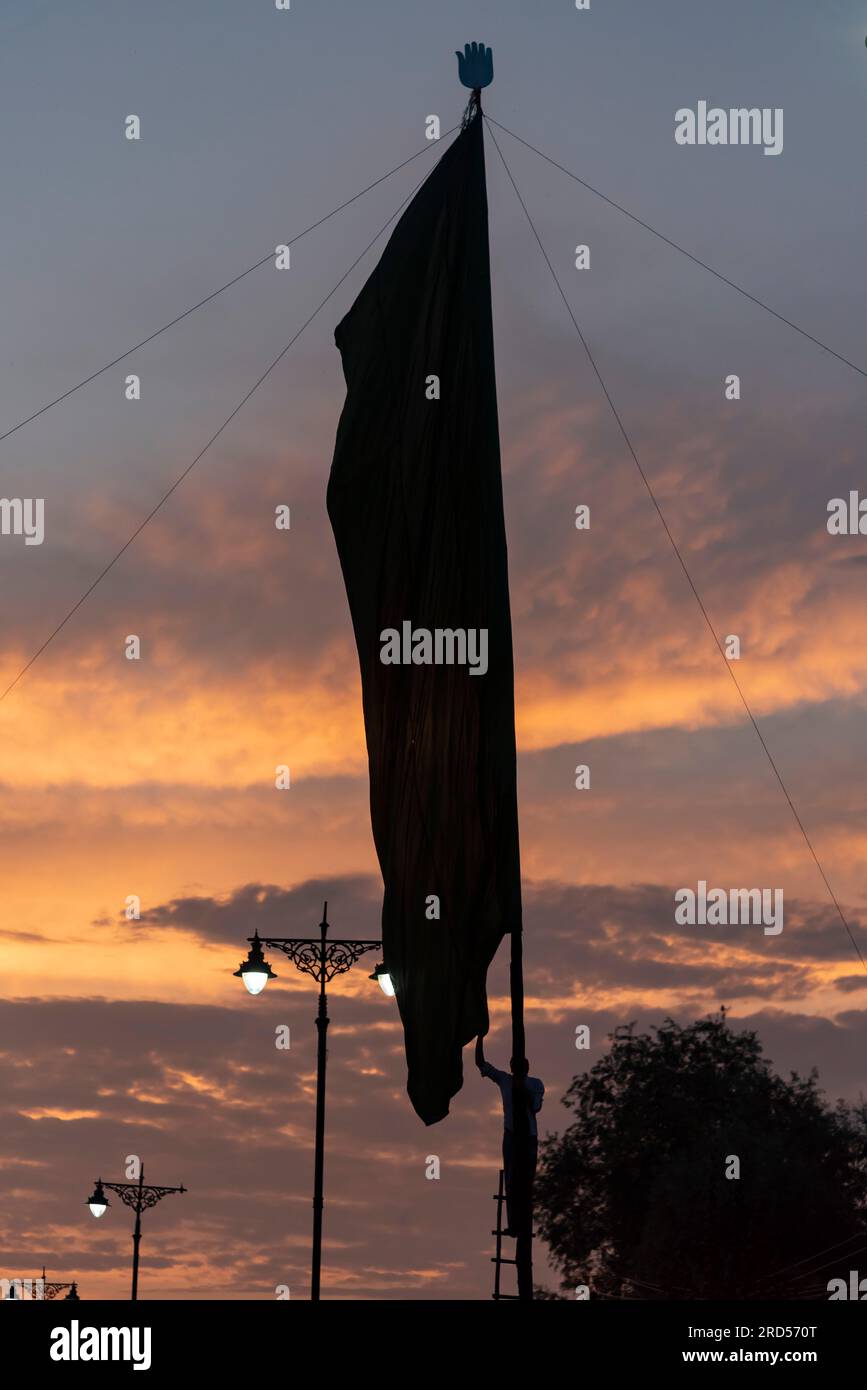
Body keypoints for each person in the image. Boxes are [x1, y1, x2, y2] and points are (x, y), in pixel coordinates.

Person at [475, 1036, 544, 1236]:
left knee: (527, 1180)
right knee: (512, 1179)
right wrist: (480, 1038)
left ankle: (525, 1223)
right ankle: (514, 1224)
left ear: (527, 1067)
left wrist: (523, 1091)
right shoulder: (505, 1080)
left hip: (528, 1135)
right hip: (511, 1134)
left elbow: (536, 1107)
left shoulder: (535, 1084)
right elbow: (481, 1064)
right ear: (512, 1066)